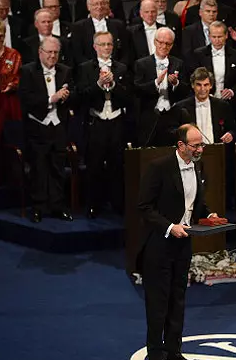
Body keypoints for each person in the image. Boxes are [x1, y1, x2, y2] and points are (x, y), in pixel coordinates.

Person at [137, 124, 220, 360]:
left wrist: (209, 214)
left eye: (201, 145)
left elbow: (195, 203)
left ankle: (174, 351)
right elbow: (144, 207)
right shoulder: (158, 167)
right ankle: (156, 354)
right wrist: (170, 226)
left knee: (178, 300)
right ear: (181, 146)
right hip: (159, 245)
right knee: (158, 302)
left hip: (183, 244)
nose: (199, 149)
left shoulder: (198, 165)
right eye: (195, 145)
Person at [19, 36, 73, 223]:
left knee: (58, 168)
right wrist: (52, 99)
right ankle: (39, 207)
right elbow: (25, 100)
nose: (52, 56)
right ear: (40, 52)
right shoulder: (27, 71)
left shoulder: (65, 71)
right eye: (49, 52)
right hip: (37, 127)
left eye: (55, 52)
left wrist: (66, 97)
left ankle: (58, 206)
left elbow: (73, 98)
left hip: (58, 126)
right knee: (39, 169)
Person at [77, 31, 129, 218]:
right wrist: (99, 84)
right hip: (96, 121)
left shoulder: (121, 68)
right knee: (94, 166)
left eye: (109, 44)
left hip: (116, 121)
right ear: (95, 47)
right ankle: (93, 205)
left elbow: (128, 98)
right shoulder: (85, 68)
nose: (106, 48)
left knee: (117, 165)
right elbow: (81, 97)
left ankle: (117, 204)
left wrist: (114, 85)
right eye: (102, 44)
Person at [177, 67, 236, 209]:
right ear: (192, 85)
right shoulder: (182, 107)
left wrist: (231, 134)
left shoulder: (222, 105)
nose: (202, 89)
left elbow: (234, 129)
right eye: (198, 85)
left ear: (211, 86)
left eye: (206, 85)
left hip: (216, 154)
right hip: (191, 155)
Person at [134, 27, 190, 147]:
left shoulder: (178, 64)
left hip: (172, 116)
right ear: (155, 42)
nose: (164, 46)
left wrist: (176, 84)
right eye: (161, 42)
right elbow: (137, 90)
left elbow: (186, 91)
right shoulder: (142, 64)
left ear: (172, 45)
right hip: (150, 116)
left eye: (168, 44)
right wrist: (155, 83)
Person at [0, 19, 21, 182]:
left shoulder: (13, 54)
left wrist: (12, 85)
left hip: (8, 102)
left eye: (1, 36)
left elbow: (17, 76)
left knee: (9, 139)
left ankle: (11, 177)